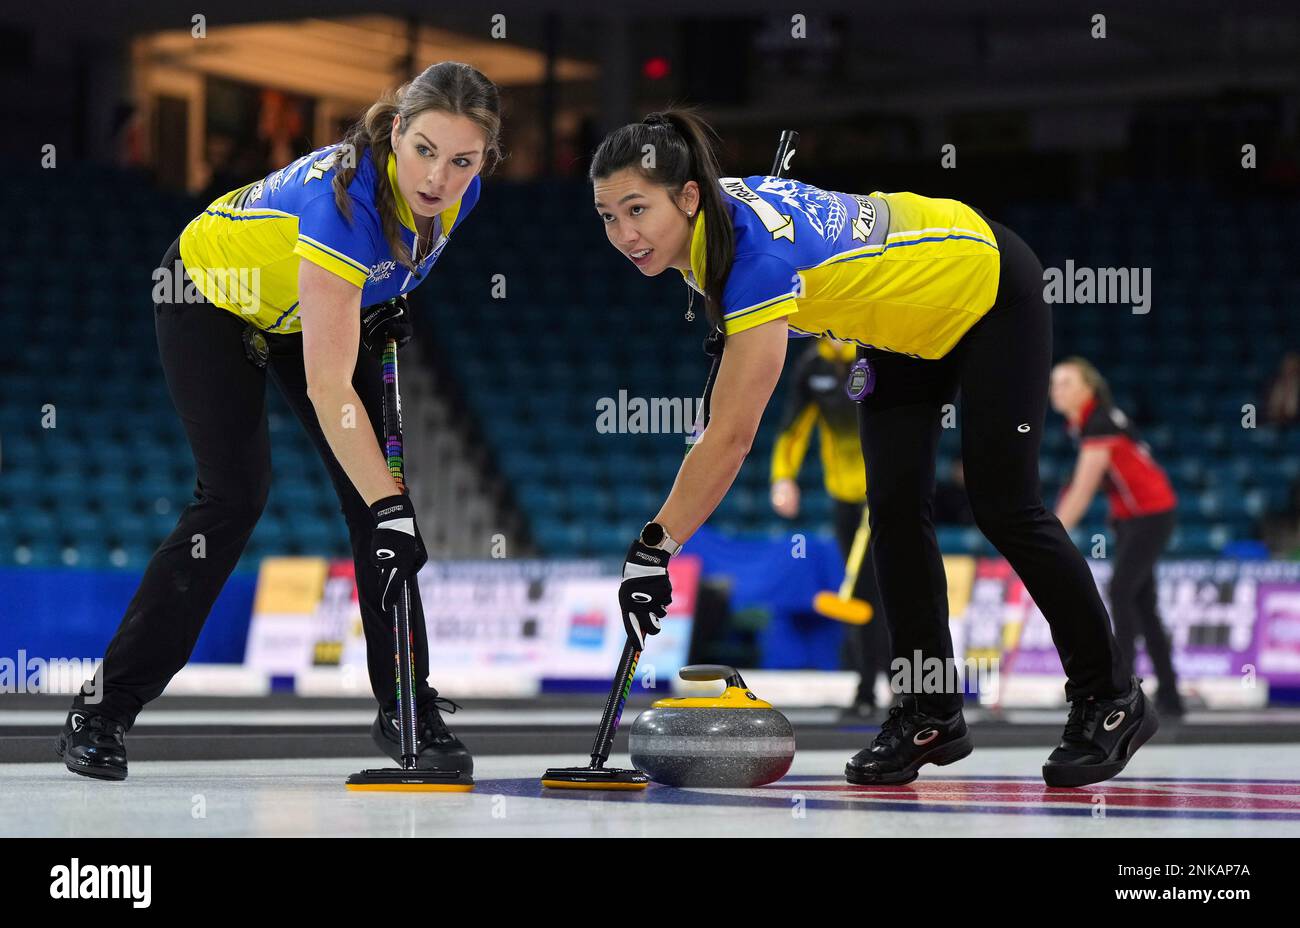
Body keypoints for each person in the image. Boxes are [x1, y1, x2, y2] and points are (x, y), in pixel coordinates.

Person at [593, 108, 1158, 788]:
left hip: (985, 286)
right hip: (896, 328)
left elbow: (733, 435)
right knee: (888, 509)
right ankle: (929, 711)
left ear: (687, 197)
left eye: (636, 210)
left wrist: (655, 548)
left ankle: (1110, 698)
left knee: (1005, 506)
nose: (624, 235)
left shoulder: (753, 260)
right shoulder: (710, 227)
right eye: (606, 216)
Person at [57, 62, 502, 781]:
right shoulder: (344, 204)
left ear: (484, 160)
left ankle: (406, 710)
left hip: (308, 305)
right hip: (208, 295)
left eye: (462, 160)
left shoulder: (461, 197)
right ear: (396, 132)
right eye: (424, 150)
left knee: (377, 505)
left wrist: (385, 295)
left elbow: (388, 264)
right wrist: (392, 508)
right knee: (237, 496)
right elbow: (330, 390)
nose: (438, 179)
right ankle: (101, 710)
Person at [1050, 358, 1184, 718]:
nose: (1055, 391)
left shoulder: (1099, 423)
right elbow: (1077, 485)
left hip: (1150, 515)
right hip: (1132, 519)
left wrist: (1047, 539)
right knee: (1143, 604)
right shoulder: (1091, 422)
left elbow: (1083, 488)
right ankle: (1170, 695)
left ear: (1087, 389)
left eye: (1065, 383)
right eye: (1054, 384)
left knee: (1121, 591)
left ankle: (1119, 688)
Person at [769, 337, 889, 719]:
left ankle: (909, 689)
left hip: (887, 491)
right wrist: (782, 478)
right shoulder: (812, 366)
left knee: (893, 589)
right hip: (845, 497)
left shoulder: (877, 352)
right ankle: (867, 689)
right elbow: (794, 426)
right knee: (860, 592)